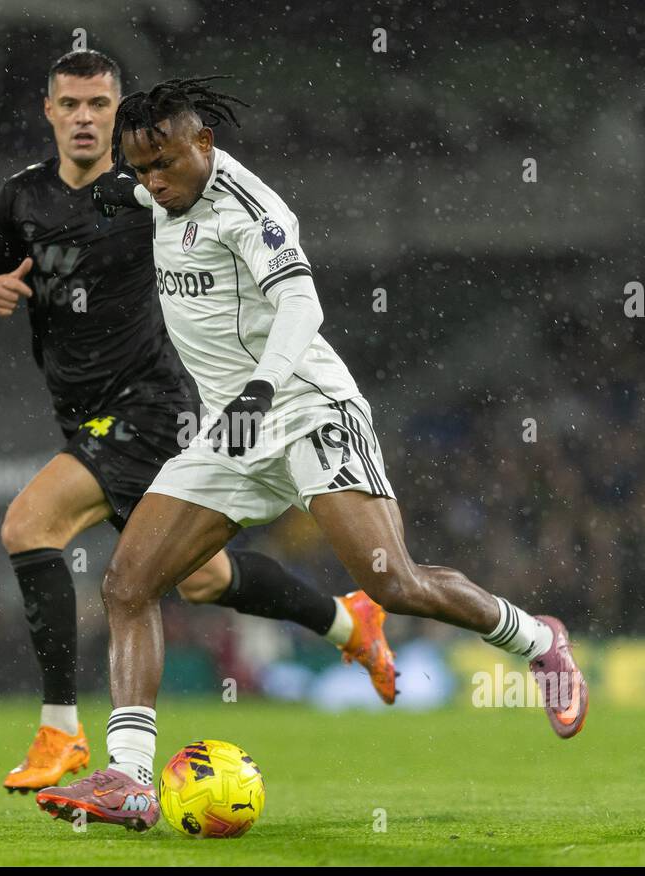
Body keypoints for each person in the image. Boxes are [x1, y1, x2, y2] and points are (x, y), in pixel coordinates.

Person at [36, 76, 588, 831]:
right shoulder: (160, 195)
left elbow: (302, 303)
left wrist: (262, 390)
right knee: (129, 583)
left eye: (162, 163)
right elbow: (144, 197)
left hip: (301, 407)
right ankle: (130, 780)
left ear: (206, 145)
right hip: (232, 430)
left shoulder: (252, 210)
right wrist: (119, 196)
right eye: (139, 168)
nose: (152, 181)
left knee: (392, 580)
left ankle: (537, 640)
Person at [0, 55, 398, 794]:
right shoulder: (22, 197)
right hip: (80, 413)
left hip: (151, 405)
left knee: (29, 525)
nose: (86, 116)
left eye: (100, 102)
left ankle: (61, 731)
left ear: (120, 109)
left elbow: (229, 208)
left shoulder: (149, 190)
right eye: (71, 103)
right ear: (49, 110)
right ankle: (350, 624)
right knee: (202, 579)